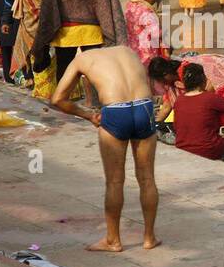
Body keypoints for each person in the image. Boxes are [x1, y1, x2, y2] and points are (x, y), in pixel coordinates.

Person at [48, 45, 159, 252]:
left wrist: (88, 115)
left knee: (115, 181)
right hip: (145, 107)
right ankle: (149, 238)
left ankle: (113, 240)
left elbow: (57, 99)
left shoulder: (82, 59)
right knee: (147, 178)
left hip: (116, 111)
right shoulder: (127, 50)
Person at [172, 62, 224, 162]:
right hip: (207, 150)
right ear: (203, 80)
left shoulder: (179, 100)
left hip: (182, 148)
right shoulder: (210, 98)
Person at [11, 0, 52, 96]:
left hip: (29, 26)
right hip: (38, 27)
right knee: (41, 61)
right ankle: (43, 91)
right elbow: (41, 8)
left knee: (37, 60)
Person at [124, 0, 165, 65]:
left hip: (132, 45)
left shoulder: (130, 5)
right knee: (148, 69)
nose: (155, 0)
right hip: (146, 48)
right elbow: (156, 33)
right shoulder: (146, 11)